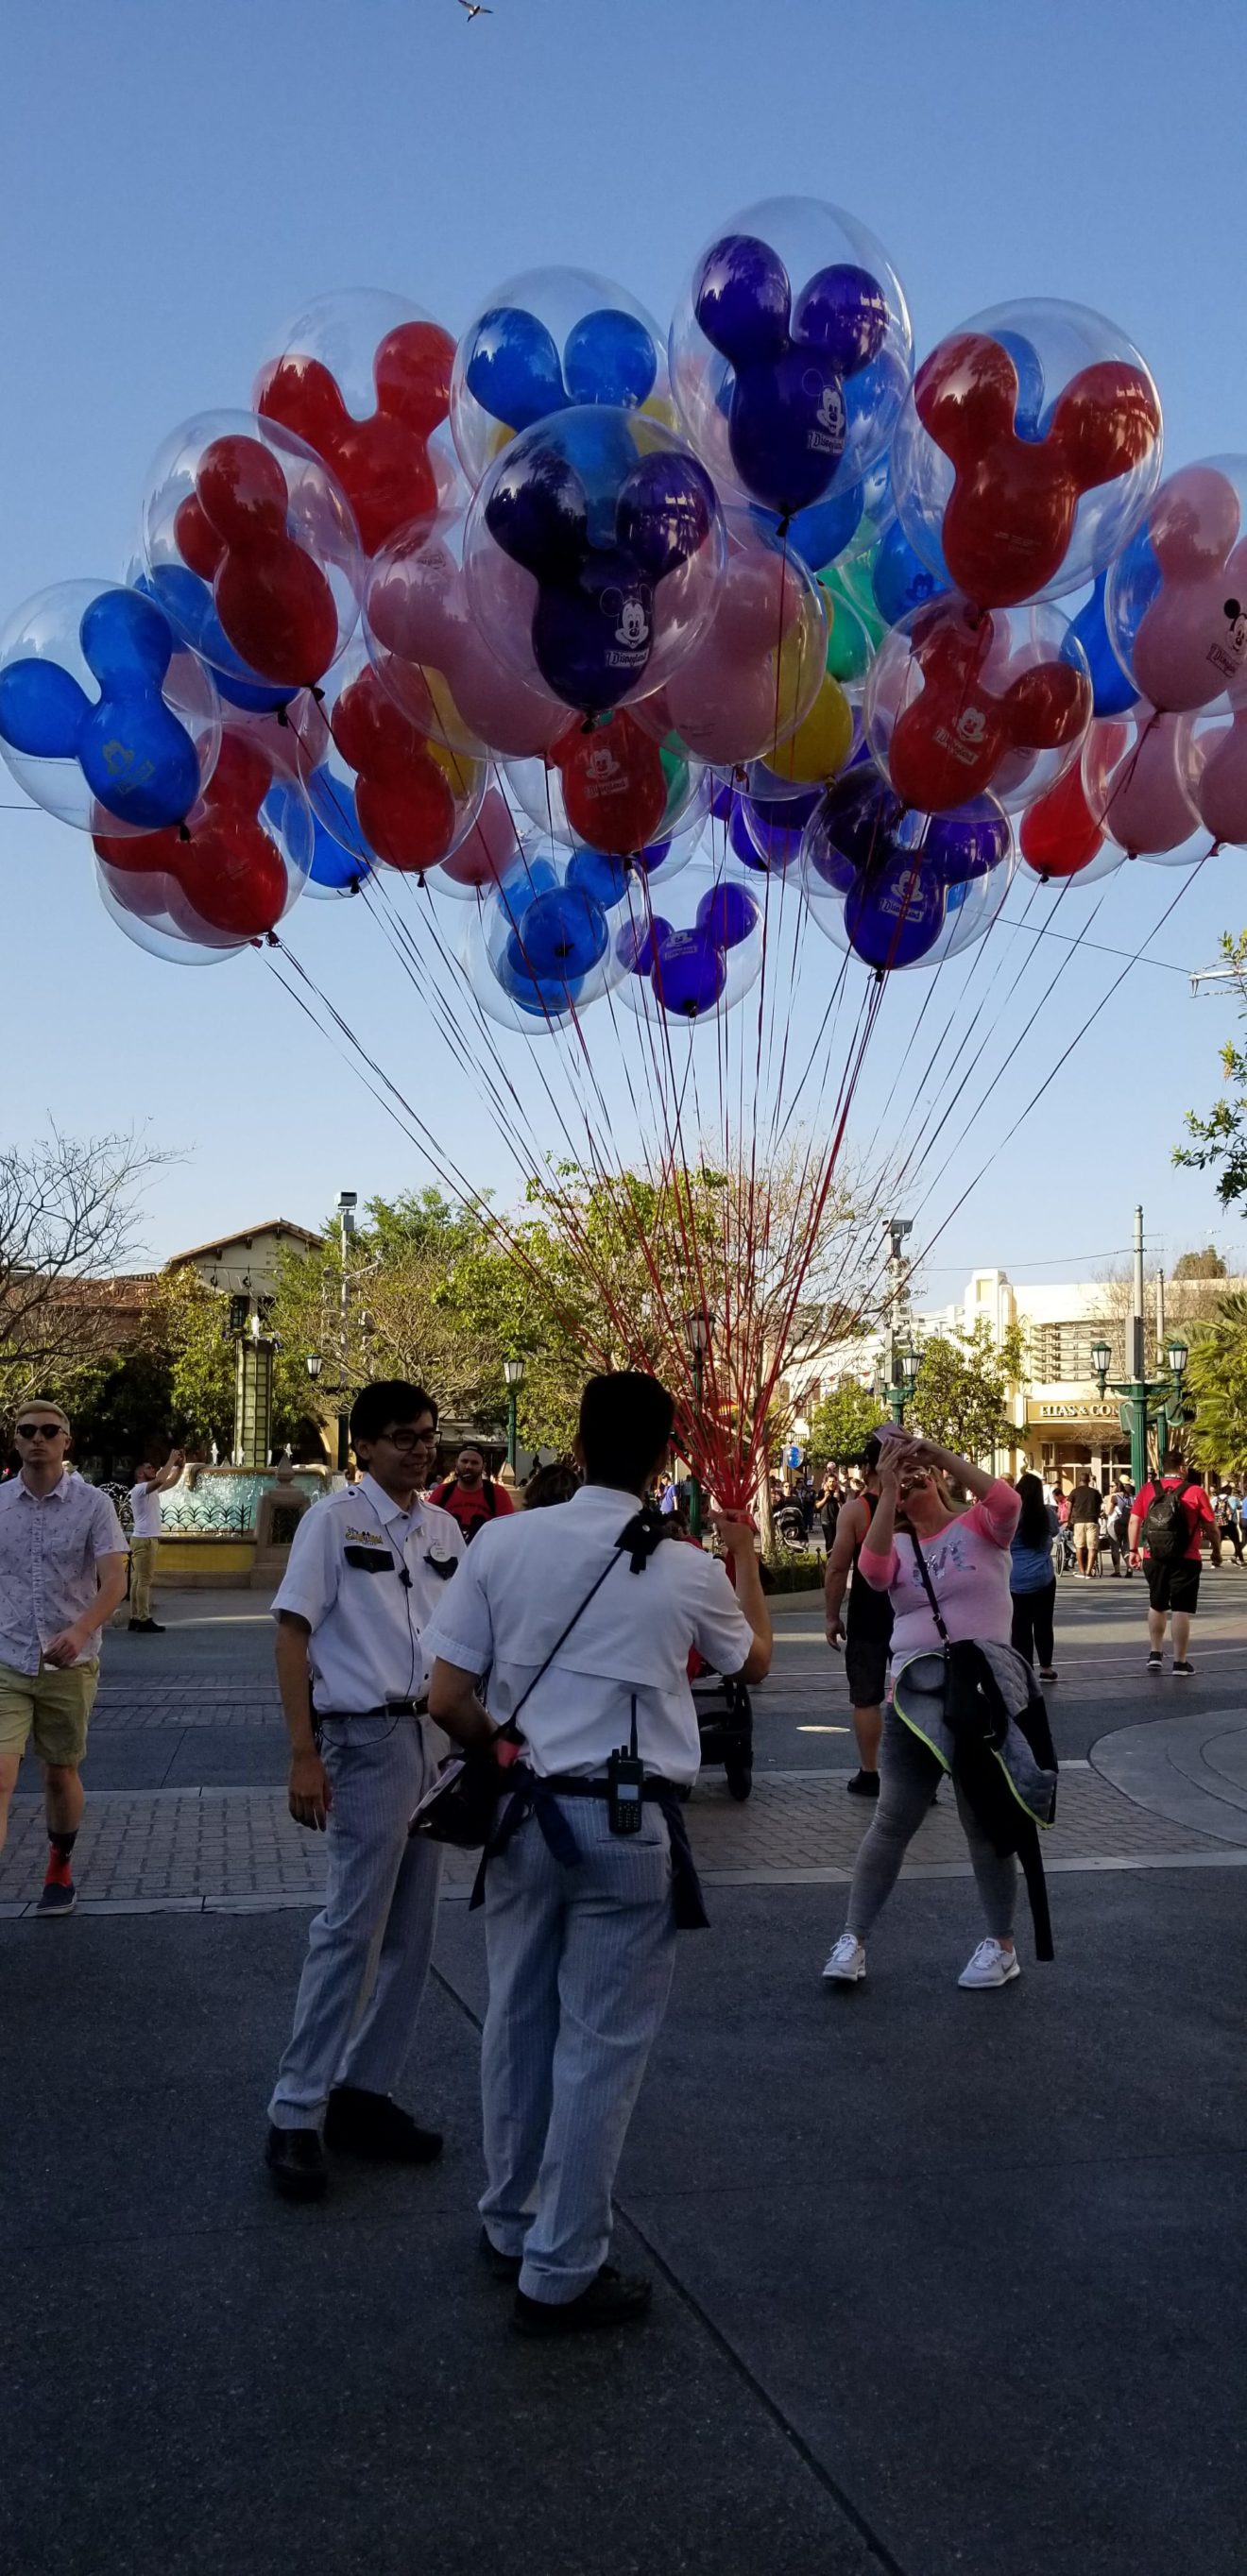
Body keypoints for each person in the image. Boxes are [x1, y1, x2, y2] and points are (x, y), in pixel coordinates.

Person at [425, 1370, 772, 2337]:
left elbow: (445, 1698)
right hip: (630, 1826)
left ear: (575, 1443)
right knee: (600, 2049)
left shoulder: (501, 1541)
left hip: (527, 1816)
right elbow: (756, 1663)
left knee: (517, 2020)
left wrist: (506, 1748)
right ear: (664, 1455)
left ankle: (509, 2221)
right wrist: (741, 1557)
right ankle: (566, 2264)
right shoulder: (688, 1566)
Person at [264, 1380, 465, 2203]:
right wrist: (302, 1752)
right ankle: (296, 2110)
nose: (421, 1448)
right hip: (365, 1738)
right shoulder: (331, 1520)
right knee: (351, 1929)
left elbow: (468, 1632)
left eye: (427, 1435)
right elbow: (291, 1633)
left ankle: (363, 2092)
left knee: (415, 1936)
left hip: (434, 1738)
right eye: (402, 1437)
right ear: (365, 1447)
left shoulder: (447, 1526)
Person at [823, 1432, 1052, 1992]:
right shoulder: (897, 1547)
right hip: (913, 1691)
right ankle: (853, 1937)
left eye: (922, 1478)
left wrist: (937, 1455)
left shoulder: (980, 1527)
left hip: (980, 1694)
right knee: (892, 1817)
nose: (913, 1485)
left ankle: (1001, 1945)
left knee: (982, 1821)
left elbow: (1008, 1502)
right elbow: (873, 1574)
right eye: (901, 1487)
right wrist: (888, 1488)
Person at [0, 1403, 128, 1918]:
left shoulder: (93, 1505)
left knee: (59, 1773)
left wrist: (80, 1630)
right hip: (6, 1657)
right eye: (28, 1431)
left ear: (66, 1441)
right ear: (15, 1439)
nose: (38, 1440)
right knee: (1, 1774)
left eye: (49, 1431)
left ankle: (60, 1862)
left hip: (69, 1664)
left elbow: (115, 1579)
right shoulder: (0, 1504)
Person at [823, 1438, 893, 1798]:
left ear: (867, 1468)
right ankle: (918, 1777)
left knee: (867, 1696)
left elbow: (837, 1569)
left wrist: (832, 1617)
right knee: (915, 1694)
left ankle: (871, 1771)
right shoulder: (919, 1505)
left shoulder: (858, 1511)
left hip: (869, 1614)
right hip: (914, 1615)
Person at [1128, 1448, 1221, 1676]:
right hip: (1186, 1557)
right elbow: (1211, 1527)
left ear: (1162, 1467)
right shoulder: (1196, 1492)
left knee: (1157, 1604)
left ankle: (1155, 1654)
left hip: (1154, 1556)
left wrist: (1133, 1549)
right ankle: (1180, 1662)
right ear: (1182, 1468)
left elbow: (1134, 1521)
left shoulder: (1149, 1489)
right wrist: (1217, 1550)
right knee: (1181, 1608)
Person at [126, 1444, 185, 1633]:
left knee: (137, 1581)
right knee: (144, 1581)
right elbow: (160, 1480)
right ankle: (143, 1619)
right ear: (141, 1473)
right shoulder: (140, 1489)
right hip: (145, 1539)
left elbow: (171, 1482)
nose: (153, 1469)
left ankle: (135, 1618)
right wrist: (170, 1460)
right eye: (149, 1468)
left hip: (142, 1538)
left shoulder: (148, 1490)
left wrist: (181, 1467)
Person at [1009, 1472, 1059, 1682]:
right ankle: (1046, 1668)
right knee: (1043, 1623)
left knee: (1020, 1626)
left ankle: (1024, 1668)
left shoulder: (1012, 1514)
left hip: (1015, 1578)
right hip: (1043, 1577)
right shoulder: (1046, 1513)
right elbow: (1055, 1532)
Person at [428, 1443, 514, 1546]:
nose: (468, 1466)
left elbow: (508, 1532)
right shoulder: (442, 1491)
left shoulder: (498, 1494)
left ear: (483, 1466)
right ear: (456, 1463)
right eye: (464, 1461)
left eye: (474, 1463)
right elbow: (427, 1526)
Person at [1068, 1474, 1102, 1578]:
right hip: (1092, 1521)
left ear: (1079, 1480)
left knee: (1079, 1546)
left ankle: (1081, 1571)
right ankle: (1088, 1572)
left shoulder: (1074, 1492)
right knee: (1092, 1547)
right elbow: (1099, 1507)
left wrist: (1068, 1520)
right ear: (1089, 1480)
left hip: (1079, 1521)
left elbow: (1069, 1508)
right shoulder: (1095, 1493)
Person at [1106, 1476, 1135, 1577]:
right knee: (1126, 1547)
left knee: (1115, 1547)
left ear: (1117, 1486)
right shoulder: (1130, 1497)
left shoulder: (1114, 1497)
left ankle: (1117, 1570)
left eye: (1112, 1486)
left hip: (1114, 1523)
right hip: (1127, 1524)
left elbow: (1108, 1512)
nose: (1110, 1488)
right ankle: (1129, 1568)